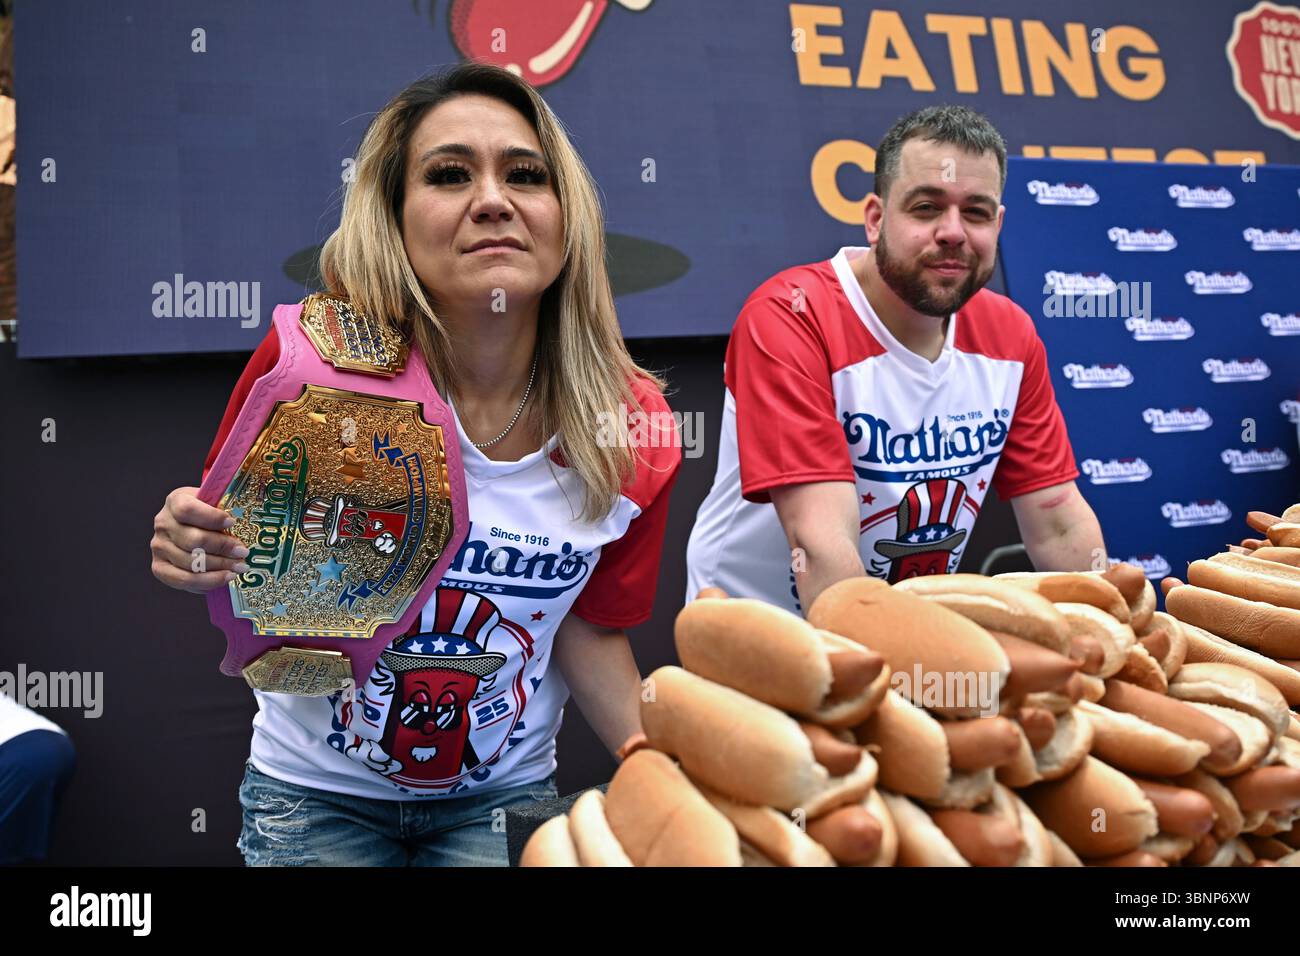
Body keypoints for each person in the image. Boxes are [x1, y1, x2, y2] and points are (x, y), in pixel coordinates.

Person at [150, 63, 680, 866]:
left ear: (565, 217)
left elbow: (587, 624)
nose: (493, 199)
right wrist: (191, 546)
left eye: (526, 175)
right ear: (392, 219)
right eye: (449, 174)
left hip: (502, 804)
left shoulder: (630, 424)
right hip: (313, 800)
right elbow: (228, 555)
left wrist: (650, 760)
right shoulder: (313, 368)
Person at [686, 104, 1104, 615]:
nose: (952, 231)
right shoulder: (790, 315)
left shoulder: (1011, 333)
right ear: (875, 219)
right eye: (927, 207)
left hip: (899, 631)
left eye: (974, 212)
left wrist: (1113, 622)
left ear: (997, 224)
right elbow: (820, 547)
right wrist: (911, 673)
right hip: (757, 637)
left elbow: (1058, 518)